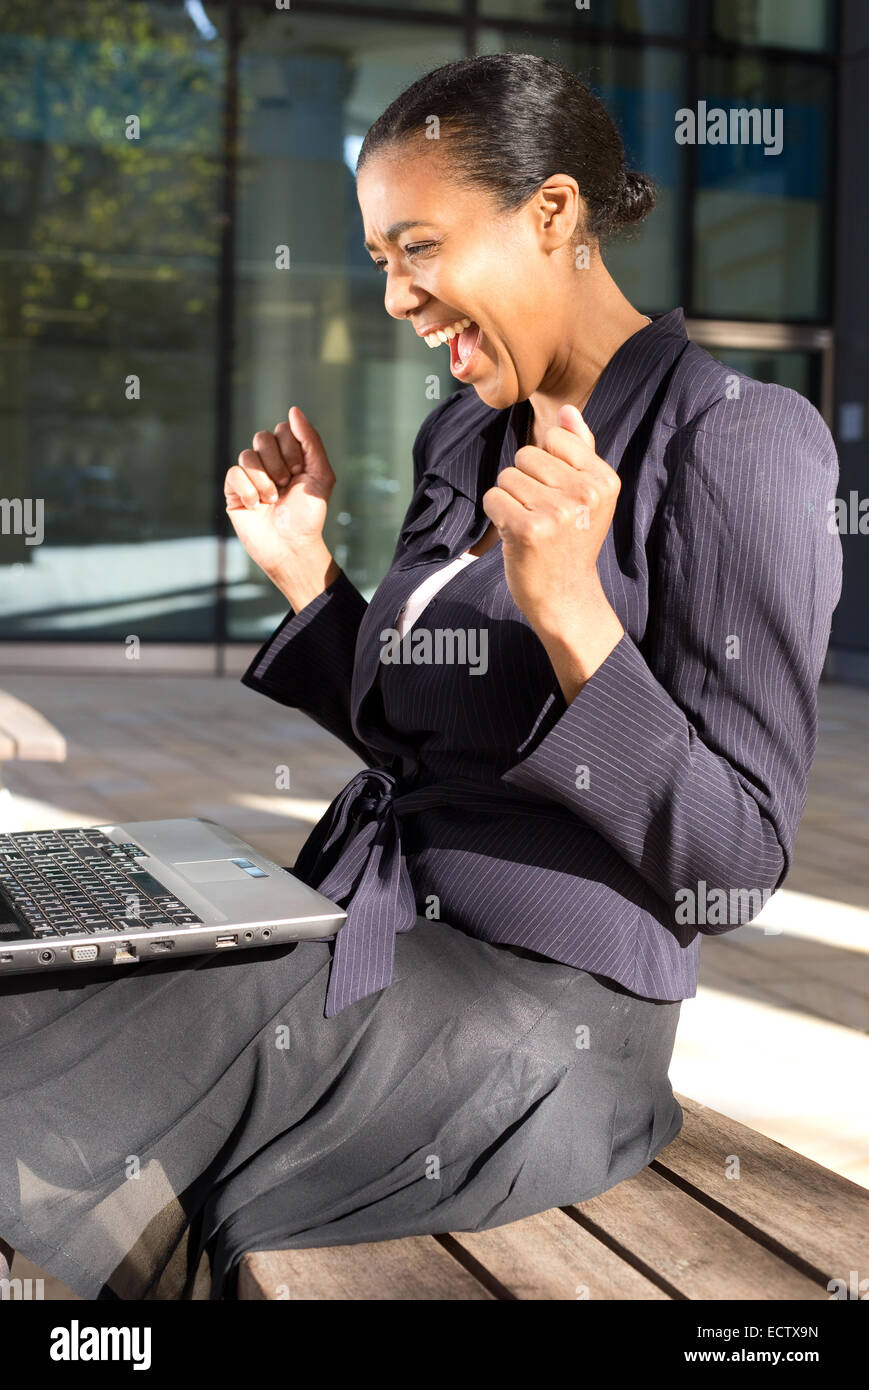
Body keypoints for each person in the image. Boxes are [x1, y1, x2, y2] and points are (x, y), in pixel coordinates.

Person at [0, 53, 841, 1301]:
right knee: (44, 945)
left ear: (551, 215)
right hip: (365, 932)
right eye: (380, 259)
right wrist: (309, 582)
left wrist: (576, 626)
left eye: (417, 248)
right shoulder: (465, 431)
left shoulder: (736, 438)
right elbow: (427, 743)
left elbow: (732, 867)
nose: (393, 296)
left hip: (539, 1018)